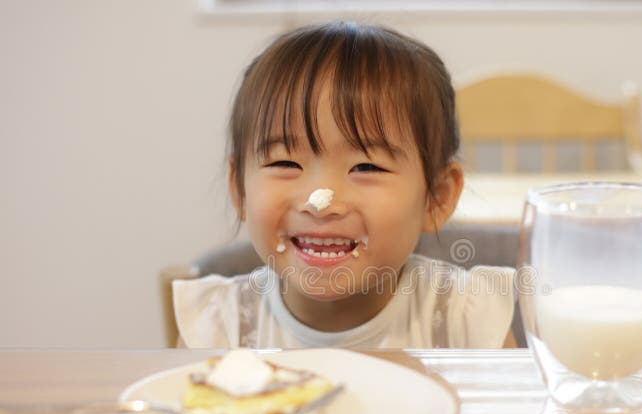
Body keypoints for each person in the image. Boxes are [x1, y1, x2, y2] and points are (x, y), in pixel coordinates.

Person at [174, 21, 516, 349]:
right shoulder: (216, 329)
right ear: (240, 191)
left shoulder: (468, 323)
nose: (320, 201)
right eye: (285, 163)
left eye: (366, 166)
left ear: (436, 198)